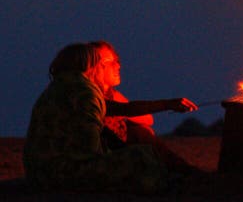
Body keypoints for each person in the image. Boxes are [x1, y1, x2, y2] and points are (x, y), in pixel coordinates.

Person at [23, 43, 197, 193]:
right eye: (103, 63)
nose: (116, 66)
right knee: (141, 156)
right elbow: (87, 148)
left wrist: (167, 104)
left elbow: (122, 109)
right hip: (61, 173)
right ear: (90, 66)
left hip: (36, 171)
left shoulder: (54, 90)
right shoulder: (86, 93)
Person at [87, 40, 196, 170]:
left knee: (140, 131)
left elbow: (145, 118)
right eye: (109, 62)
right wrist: (168, 104)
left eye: (116, 60)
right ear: (92, 67)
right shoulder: (89, 95)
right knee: (140, 135)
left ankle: (182, 170)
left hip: (117, 149)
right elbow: (126, 109)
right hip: (101, 156)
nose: (117, 66)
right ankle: (184, 172)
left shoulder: (112, 94)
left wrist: (128, 120)